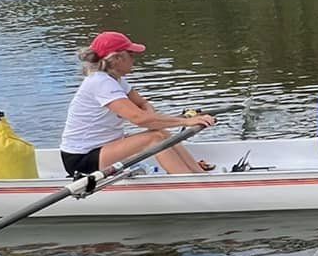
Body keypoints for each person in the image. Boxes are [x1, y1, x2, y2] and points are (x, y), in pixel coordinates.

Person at [58, 31, 215, 176]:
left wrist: (153, 120)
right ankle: (187, 182)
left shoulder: (116, 80)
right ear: (117, 58)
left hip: (104, 147)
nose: (134, 59)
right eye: (131, 54)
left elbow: (142, 104)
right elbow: (139, 119)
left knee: (162, 133)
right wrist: (187, 121)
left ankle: (199, 175)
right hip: (81, 159)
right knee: (154, 139)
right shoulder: (101, 82)